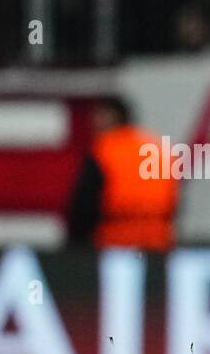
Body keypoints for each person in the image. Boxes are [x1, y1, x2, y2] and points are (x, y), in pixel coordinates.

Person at [66, 97, 177, 250]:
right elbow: (174, 202)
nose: (93, 124)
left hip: (116, 243)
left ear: (111, 116)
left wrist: (74, 246)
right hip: (159, 243)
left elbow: (84, 206)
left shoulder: (104, 150)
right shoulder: (159, 148)